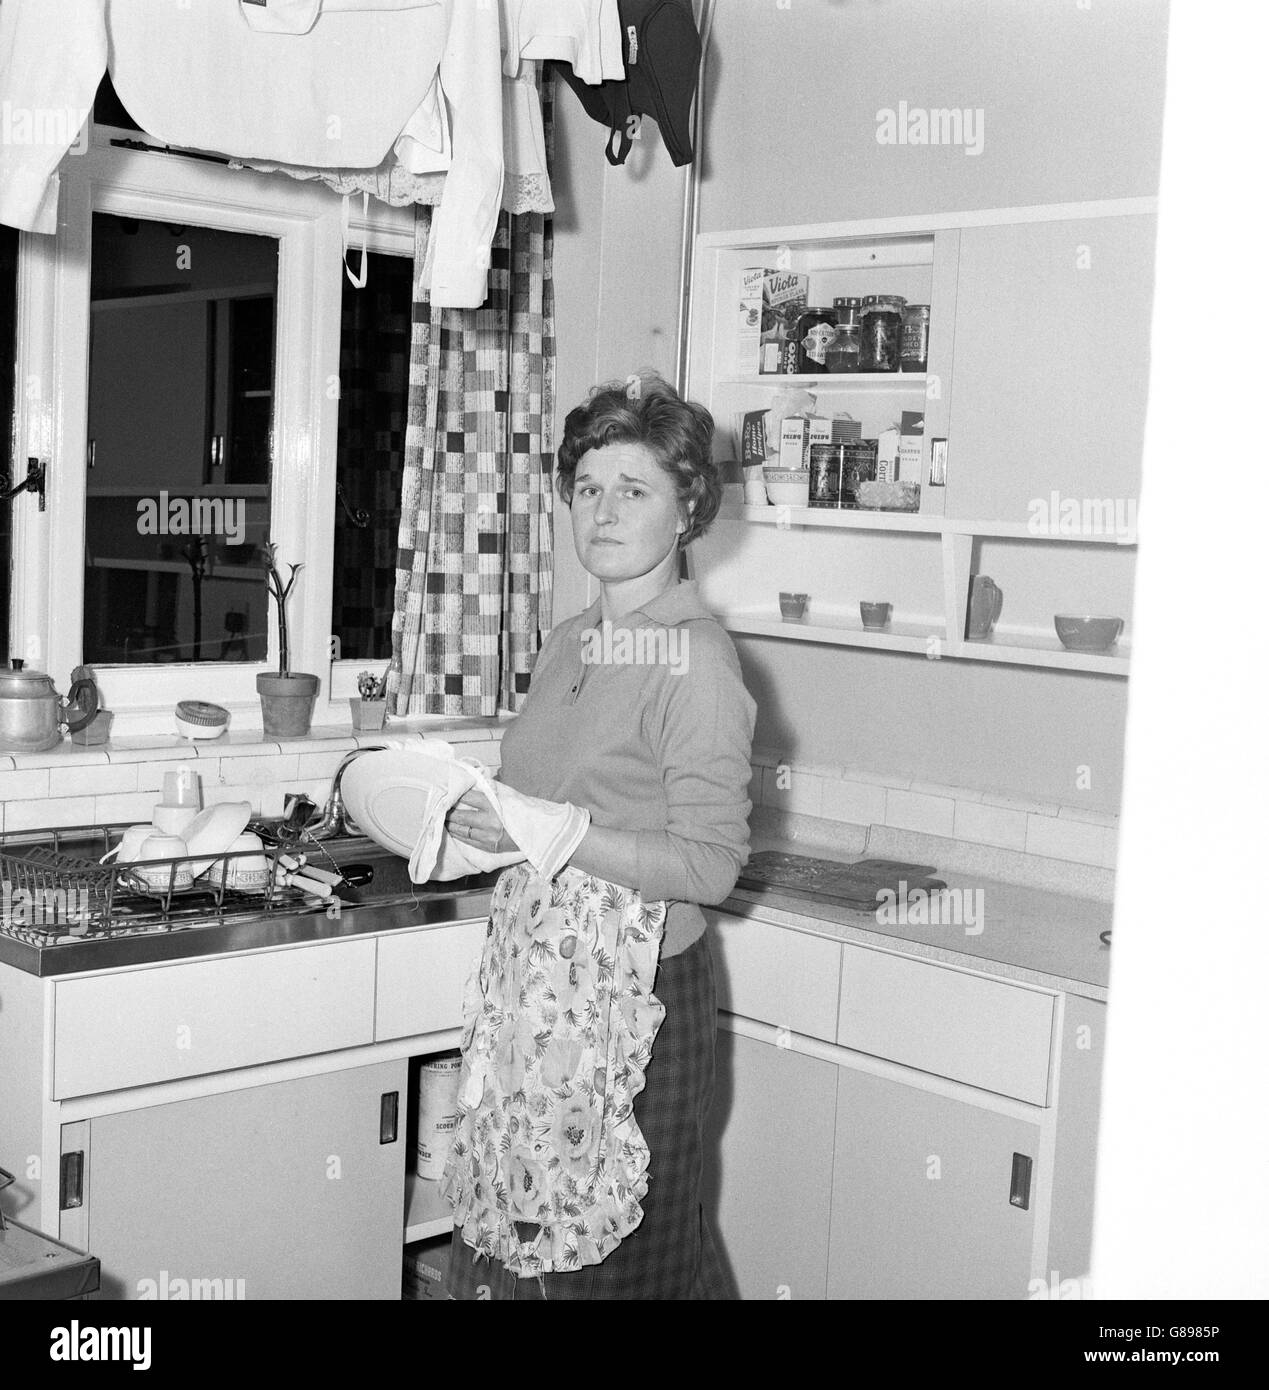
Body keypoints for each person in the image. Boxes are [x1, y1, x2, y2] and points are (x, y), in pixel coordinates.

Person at [441, 372, 756, 1300]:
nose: (604, 511)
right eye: (587, 489)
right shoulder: (571, 640)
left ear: (687, 508)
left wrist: (550, 832)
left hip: (639, 998)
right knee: (515, 1240)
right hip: (539, 989)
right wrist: (481, 822)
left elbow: (708, 866)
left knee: (621, 1262)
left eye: (635, 490)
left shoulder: (695, 659)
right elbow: (552, 805)